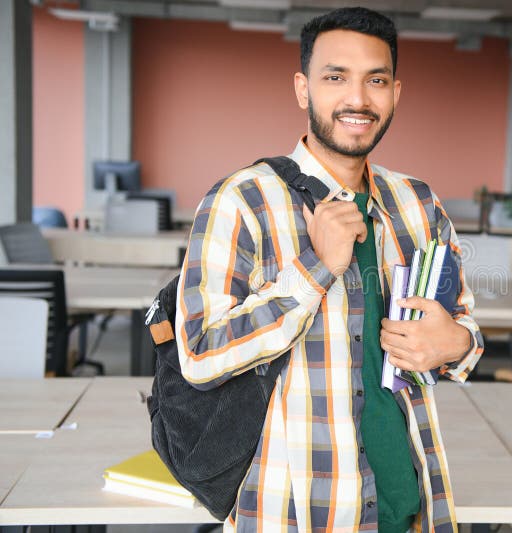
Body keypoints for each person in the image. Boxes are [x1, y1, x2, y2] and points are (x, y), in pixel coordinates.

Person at [176, 7, 484, 532]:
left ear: (396, 93)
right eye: (335, 77)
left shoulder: (418, 203)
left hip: (409, 506)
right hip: (296, 515)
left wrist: (454, 344)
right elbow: (199, 353)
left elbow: (464, 330)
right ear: (303, 89)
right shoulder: (242, 200)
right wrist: (315, 267)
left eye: (376, 80)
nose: (358, 99)